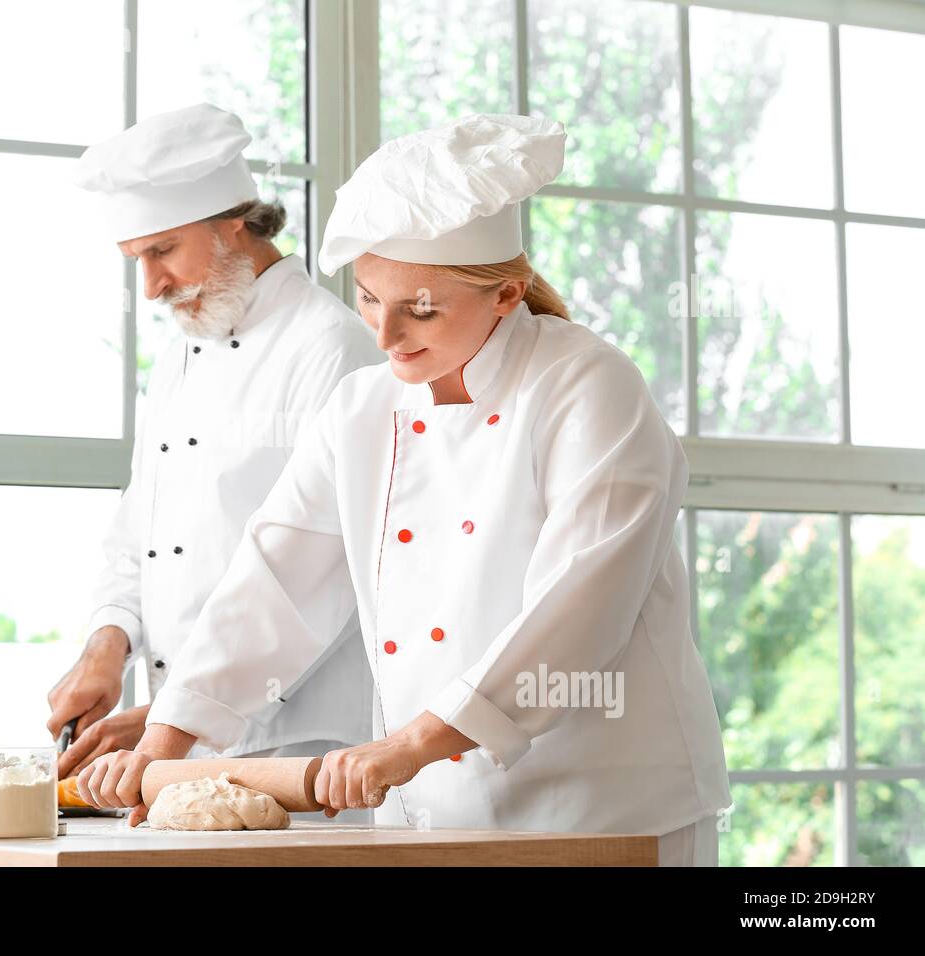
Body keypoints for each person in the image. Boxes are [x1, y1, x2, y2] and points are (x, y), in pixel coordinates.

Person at [77, 114, 732, 866]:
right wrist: (168, 741)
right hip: (430, 810)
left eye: (419, 309)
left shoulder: (587, 385)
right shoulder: (363, 406)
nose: (386, 337)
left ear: (506, 294)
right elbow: (274, 580)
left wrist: (412, 743)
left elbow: (582, 609)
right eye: (369, 301)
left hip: (600, 806)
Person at [45, 104, 382, 808]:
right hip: (173, 744)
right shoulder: (177, 357)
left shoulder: (333, 346)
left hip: (300, 748)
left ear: (235, 223)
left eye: (163, 252)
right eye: (137, 261)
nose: (153, 287)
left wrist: (180, 718)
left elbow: (322, 576)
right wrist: (108, 644)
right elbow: (139, 532)